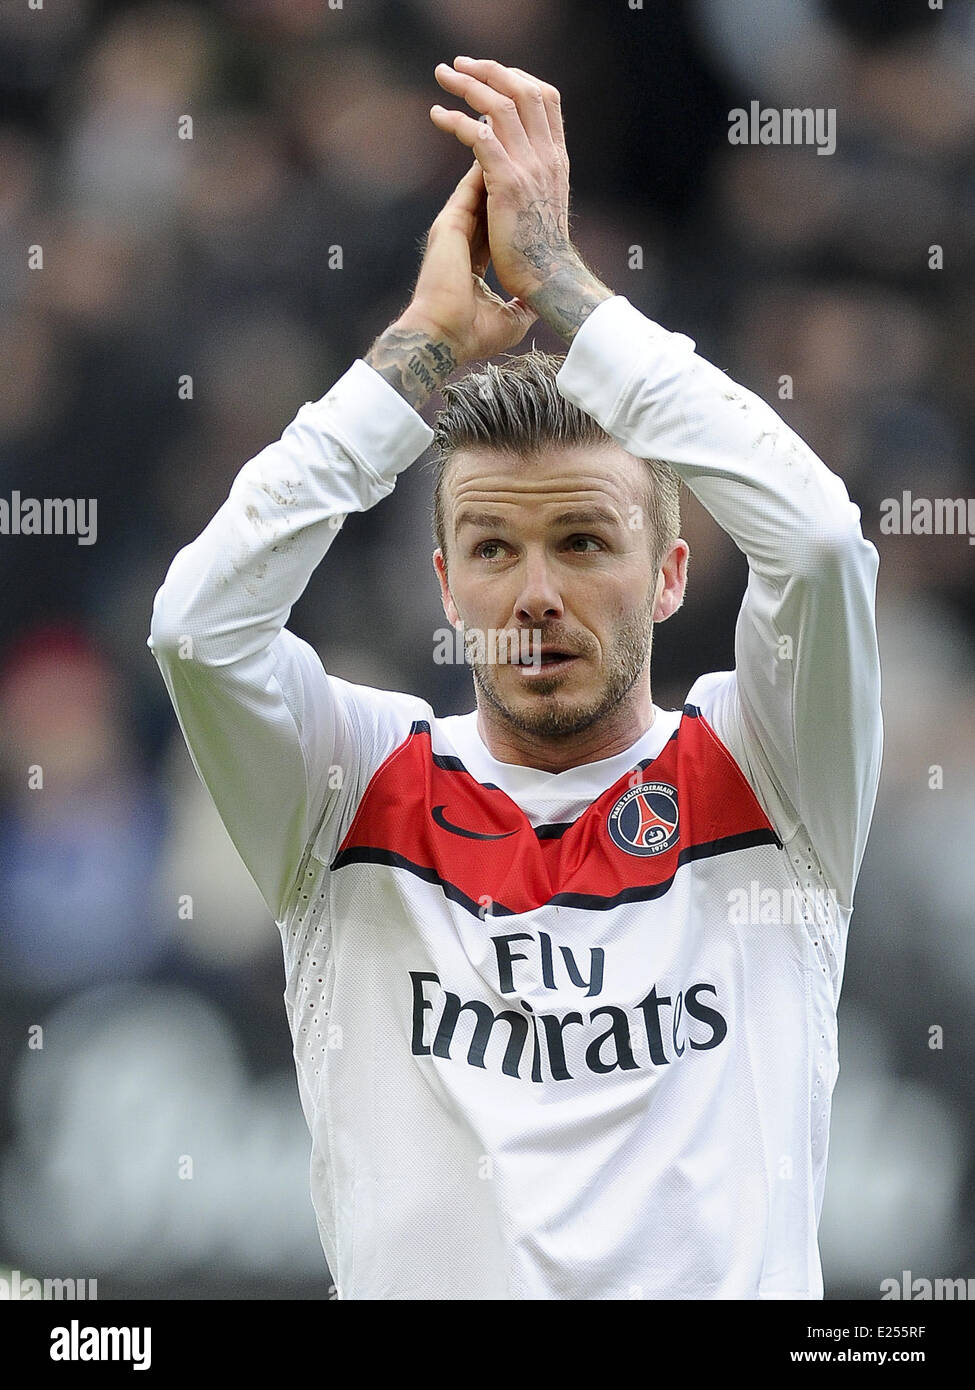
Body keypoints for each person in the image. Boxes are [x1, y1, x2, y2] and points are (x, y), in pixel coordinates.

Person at [149, 58, 883, 1299]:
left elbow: (815, 538)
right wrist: (419, 353)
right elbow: (197, 626)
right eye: (493, 548)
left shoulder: (768, 770)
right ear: (446, 585)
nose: (535, 590)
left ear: (669, 577)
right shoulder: (352, 784)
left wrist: (568, 292)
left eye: (586, 541)